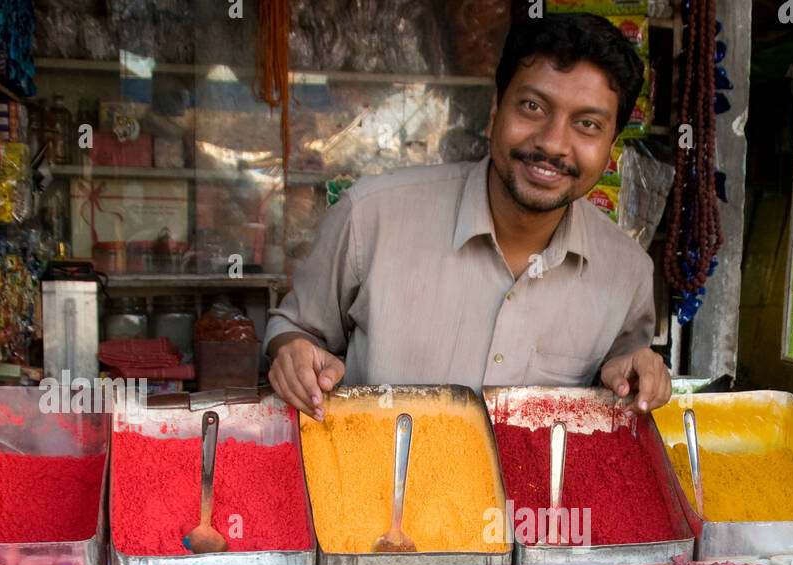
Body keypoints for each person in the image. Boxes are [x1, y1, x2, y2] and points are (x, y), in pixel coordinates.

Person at [265, 13, 672, 419]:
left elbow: (621, 392)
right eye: (532, 106)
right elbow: (296, 331)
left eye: (587, 124)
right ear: (495, 110)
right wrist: (292, 354)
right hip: (379, 482)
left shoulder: (627, 273)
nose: (552, 143)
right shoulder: (371, 216)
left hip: (533, 487)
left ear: (611, 146)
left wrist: (634, 376)